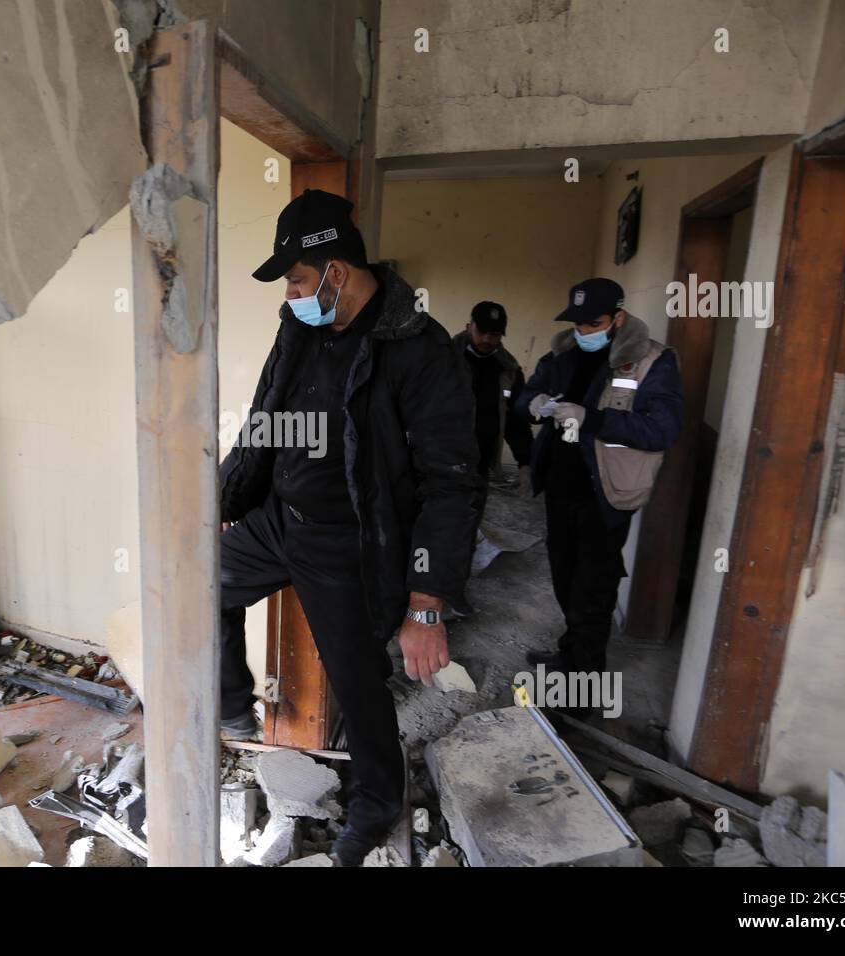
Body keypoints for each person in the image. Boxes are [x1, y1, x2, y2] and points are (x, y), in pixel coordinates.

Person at [218, 189, 479, 865]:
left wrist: (427, 603)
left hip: (348, 544)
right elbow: (265, 417)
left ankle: (375, 805)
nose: (291, 294)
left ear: (335, 272)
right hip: (280, 519)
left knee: (358, 685)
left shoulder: (417, 349)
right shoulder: (299, 327)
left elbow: (451, 482)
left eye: (299, 279)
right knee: (199, 584)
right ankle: (230, 709)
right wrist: (227, 497)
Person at [515, 278, 684, 690]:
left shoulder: (651, 361)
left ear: (618, 318)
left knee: (593, 591)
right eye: (578, 324)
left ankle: (582, 693)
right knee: (565, 579)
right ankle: (571, 654)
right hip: (560, 486)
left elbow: (661, 430)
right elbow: (526, 394)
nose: (585, 332)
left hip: (605, 494)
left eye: (594, 323)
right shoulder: (562, 353)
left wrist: (591, 418)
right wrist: (533, 403)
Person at [450, 301, 534, 593]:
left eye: (495, 335)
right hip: (441, 461)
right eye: (483, 332)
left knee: (470, 523)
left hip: (480, 463)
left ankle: (457, 589)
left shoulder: (508, 369)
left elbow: (515, 420)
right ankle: (431, 592)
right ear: (468, 326)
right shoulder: (442, 360)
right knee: (441, 527)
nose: (487, 339)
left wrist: (525, 461)